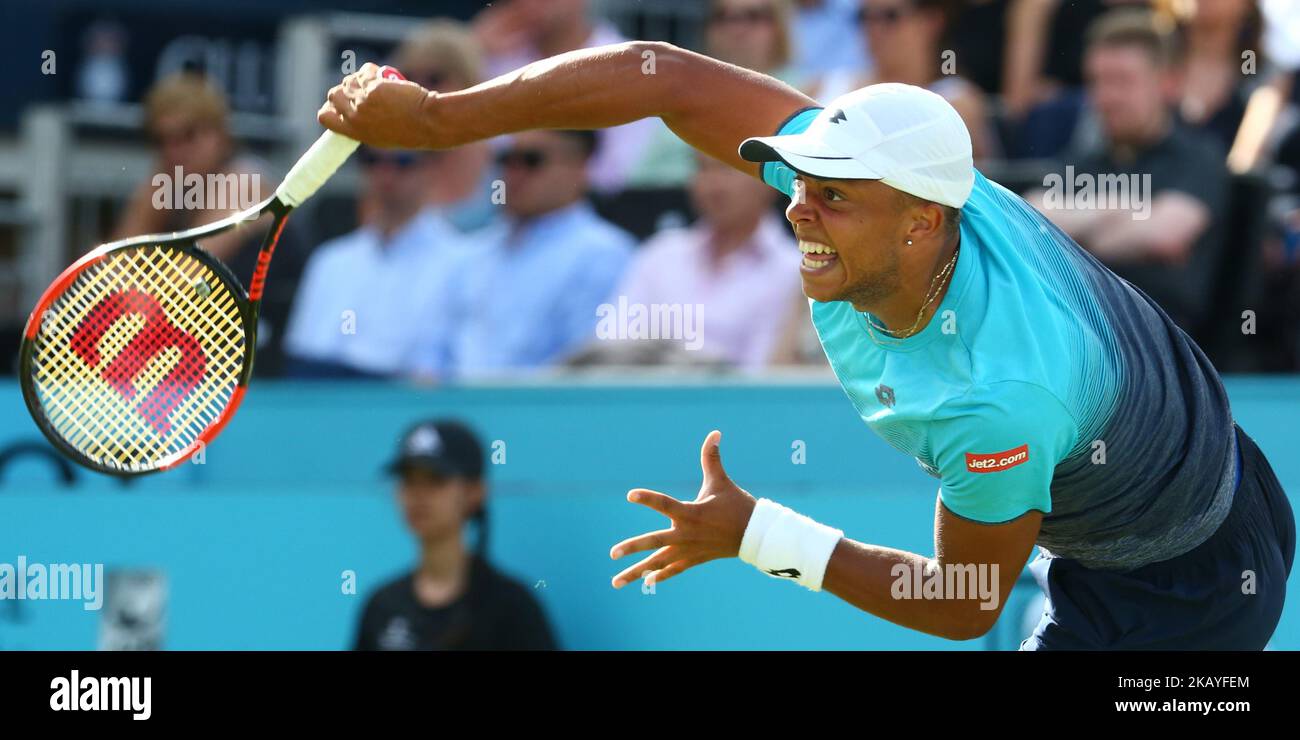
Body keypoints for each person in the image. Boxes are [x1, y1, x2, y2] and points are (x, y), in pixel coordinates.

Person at [317, 38, 1294, 649]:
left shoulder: (992, 396)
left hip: (1182, 593)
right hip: (1133, 487)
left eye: (831, 192)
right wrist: (446, 119)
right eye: (797, 179)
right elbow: (659, 73)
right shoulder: (917, 188)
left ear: (919, 222)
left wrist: (760, 536)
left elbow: (960, 601)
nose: (796, 206)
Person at [1025, 9, 1230, 342]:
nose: (1106, 97)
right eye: (1098, 82)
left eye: (1122, 81)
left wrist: (1072, 238)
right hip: (1078, 330)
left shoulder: (1198, 157)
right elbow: (1031, 223)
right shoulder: (1086, 159)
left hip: (1164, 341)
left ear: (1167, 82)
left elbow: (1165, 234)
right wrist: (1124, 211)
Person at [417, 130, 634, 378]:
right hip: (455, 410)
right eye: (506, 159)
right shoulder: (471, 256)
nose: (514, 173)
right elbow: (431, 360)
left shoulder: (603, 255)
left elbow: (585, 370)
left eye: (531, 160)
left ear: (579, 166)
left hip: (545, 412)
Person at [353, 420, 557, 651]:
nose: (418, 495)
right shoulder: (383, 606)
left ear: (474, 492)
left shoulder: (511, 607)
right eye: (408, 480)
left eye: (435, 480)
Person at [613, 153, 801, 369]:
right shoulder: (659, 254)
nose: (714, 184)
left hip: (738, 401)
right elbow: (615, 348)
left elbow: (765, 376)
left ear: (770, 181)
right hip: (641, 398)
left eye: (727, 169)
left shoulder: (794, 271)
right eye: (703, 168)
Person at [807, 0, 998, 161]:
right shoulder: (825, 84)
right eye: (864, 17)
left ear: (930, 21)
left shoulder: (956, 98)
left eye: (890, 16)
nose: (873, 29)